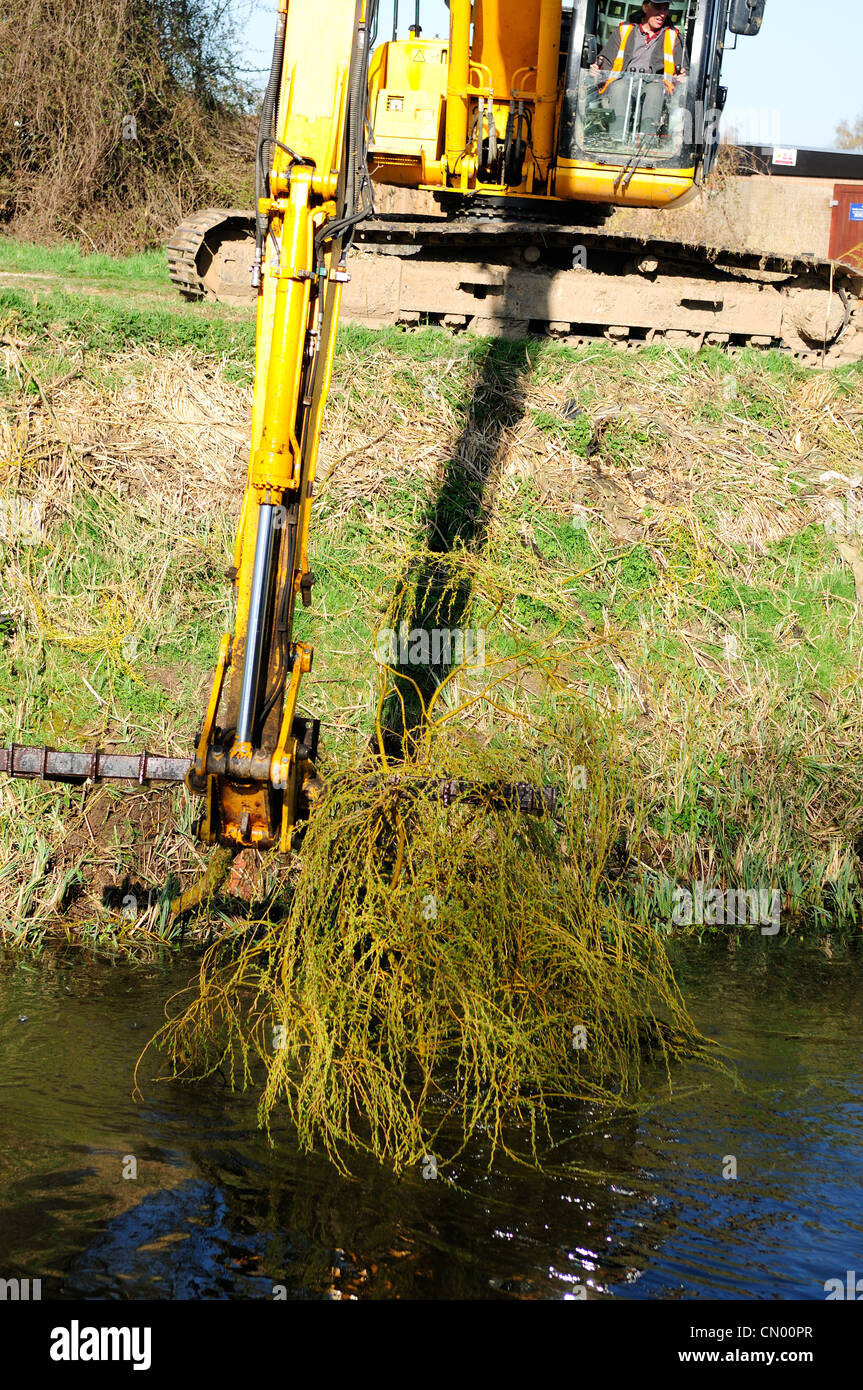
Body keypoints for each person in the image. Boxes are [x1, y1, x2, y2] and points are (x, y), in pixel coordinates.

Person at [589, 2, 687, 144]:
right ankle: (616, 140)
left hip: (655, 87)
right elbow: (606, 62)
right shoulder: (624, 31)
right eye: (658, 8)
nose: (662, 14)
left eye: (665, 9)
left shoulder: (674, 37)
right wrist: (596, 70)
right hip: (624, 83)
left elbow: (684, 70)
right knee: (619, 86)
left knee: (655, 89)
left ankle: (647, 143)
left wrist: (682, 77)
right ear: (645, 7)